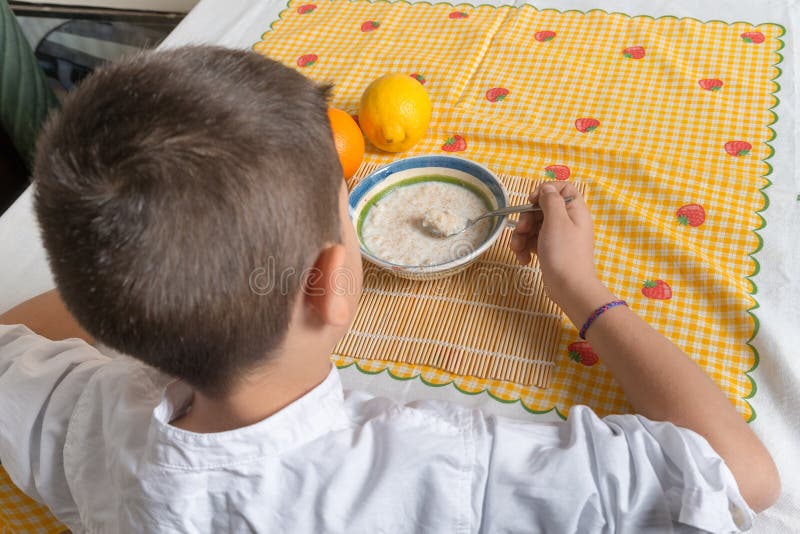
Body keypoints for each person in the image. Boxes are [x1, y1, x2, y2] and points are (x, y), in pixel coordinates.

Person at [0, 46, 779, 533]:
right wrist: (583, 292)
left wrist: (144, 273)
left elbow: (14, 335)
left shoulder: (85, 417)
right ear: (334, 283)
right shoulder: (447, 469)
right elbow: (744, 478)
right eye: (345, 199)